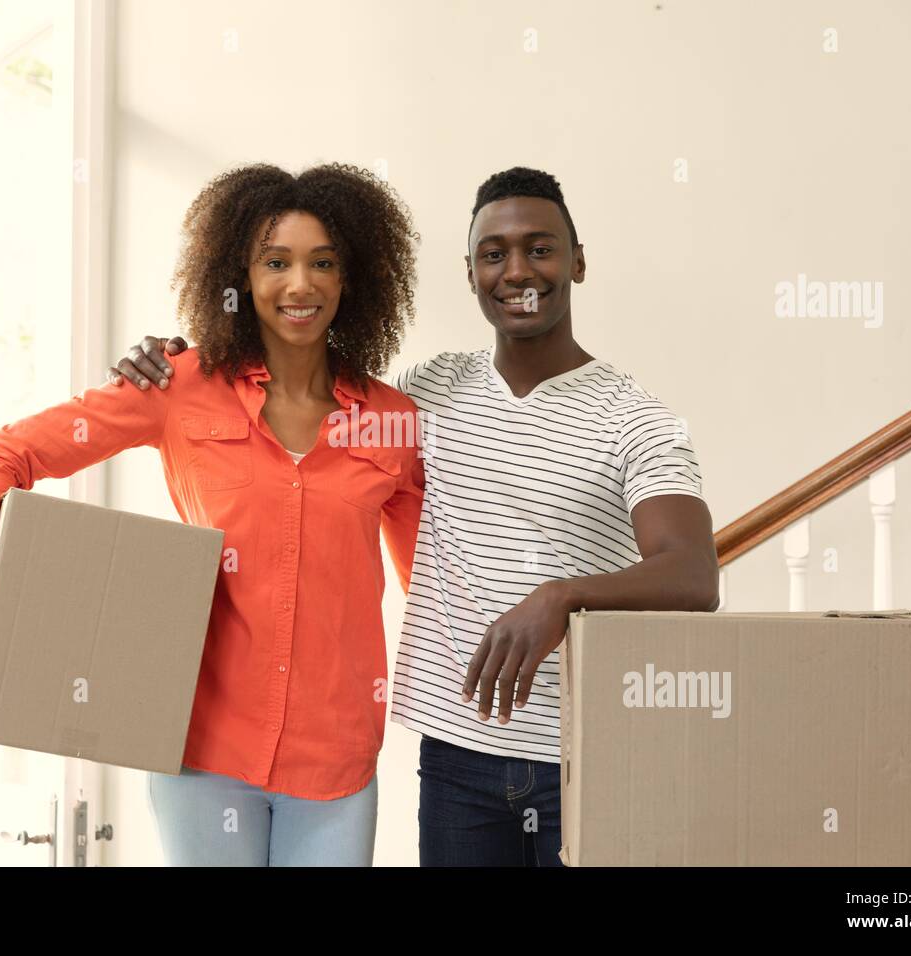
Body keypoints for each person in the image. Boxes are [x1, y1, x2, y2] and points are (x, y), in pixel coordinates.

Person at [107, 166, 720, 867]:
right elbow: (299, 391)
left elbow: (693, 574)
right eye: (494, 254)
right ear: (470, 273)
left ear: (577, 261)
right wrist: (182, 356)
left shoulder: (636, 418)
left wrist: (563, 596)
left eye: (541, 248)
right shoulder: (422, 397)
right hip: (455, 757)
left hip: (582, 757)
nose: (518, 269)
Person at [0, 162, 425, 866]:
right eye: (275, 262)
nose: (300, 285)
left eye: (324, 262)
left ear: (354, 278)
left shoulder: (393, 423)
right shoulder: (180, 386)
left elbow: (432, 590)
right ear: (240, 276)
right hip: (202, 752)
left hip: (337, 763)